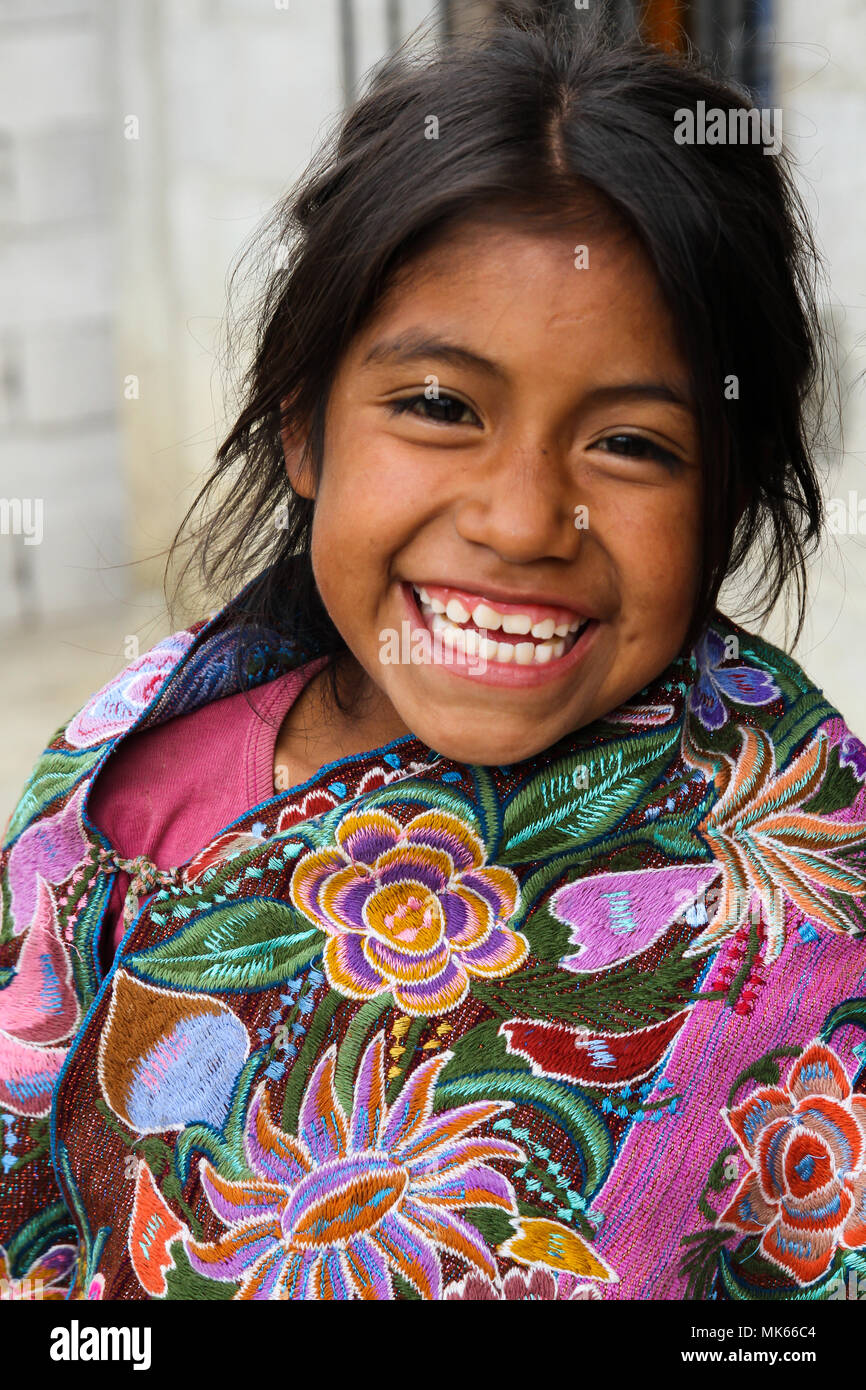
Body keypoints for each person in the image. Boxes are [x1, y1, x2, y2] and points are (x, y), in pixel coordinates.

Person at [2, 11, 865, 1304]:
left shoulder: (801, 903)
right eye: (439, 407)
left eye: (629, 443)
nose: (521, 519)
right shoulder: (133, 785)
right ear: (303, 431)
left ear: (726, 496)